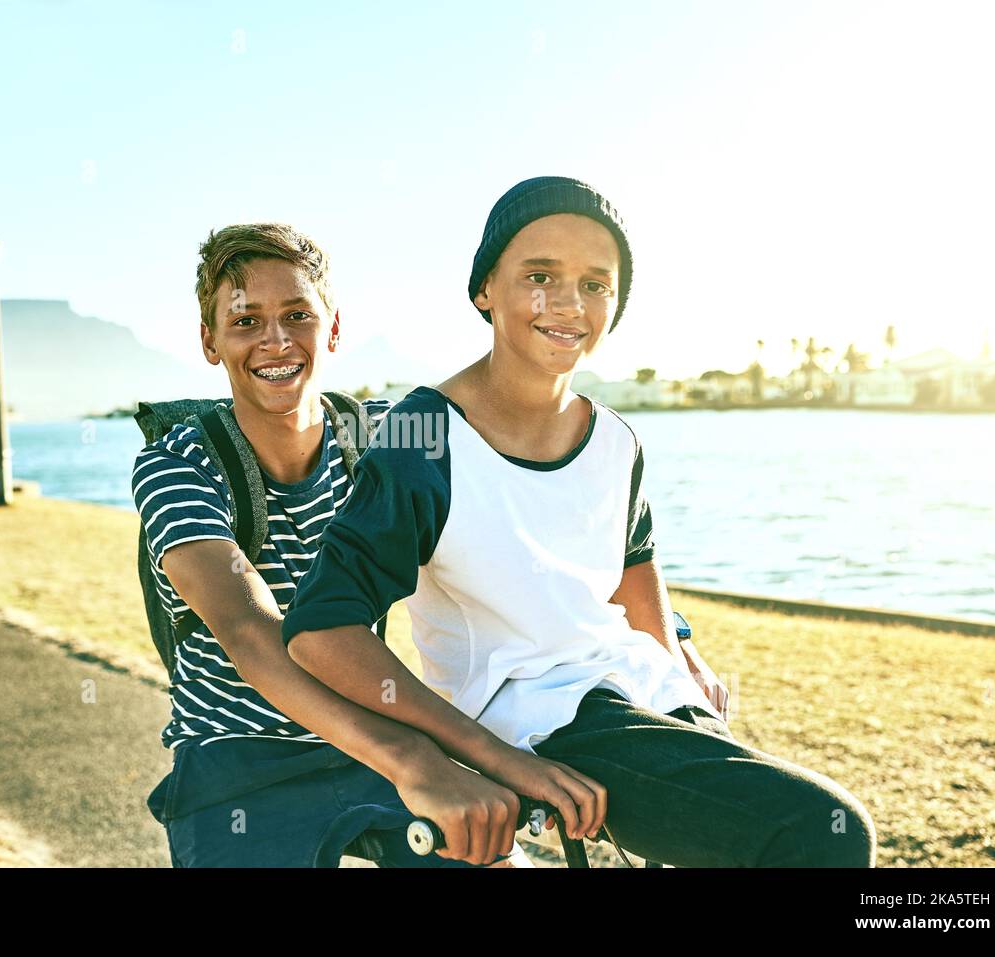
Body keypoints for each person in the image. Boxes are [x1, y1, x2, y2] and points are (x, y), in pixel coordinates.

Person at [282, 176, 878, 867]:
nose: (569, 303)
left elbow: (634, 565)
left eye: (597, 284)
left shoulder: (614, 440)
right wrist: (487, 755)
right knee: (822, 829)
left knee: (780, 822)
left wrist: (681, 664)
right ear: (485, 290)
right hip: (537, 717)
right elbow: (321, 631)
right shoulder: (423, 436)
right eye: (540, 276)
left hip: (636, 692)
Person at [133, 221, 532, 867]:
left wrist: (663, 636)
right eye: (245, 322)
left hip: (367, 728)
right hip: (236, 755)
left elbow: (515, 539)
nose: (276, 340)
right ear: (210, 341)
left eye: (298, 315)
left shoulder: (384, 444)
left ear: (334, 328)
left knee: (497, 857)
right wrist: (414, 758)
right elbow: (249, 630)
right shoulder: (178, 464)